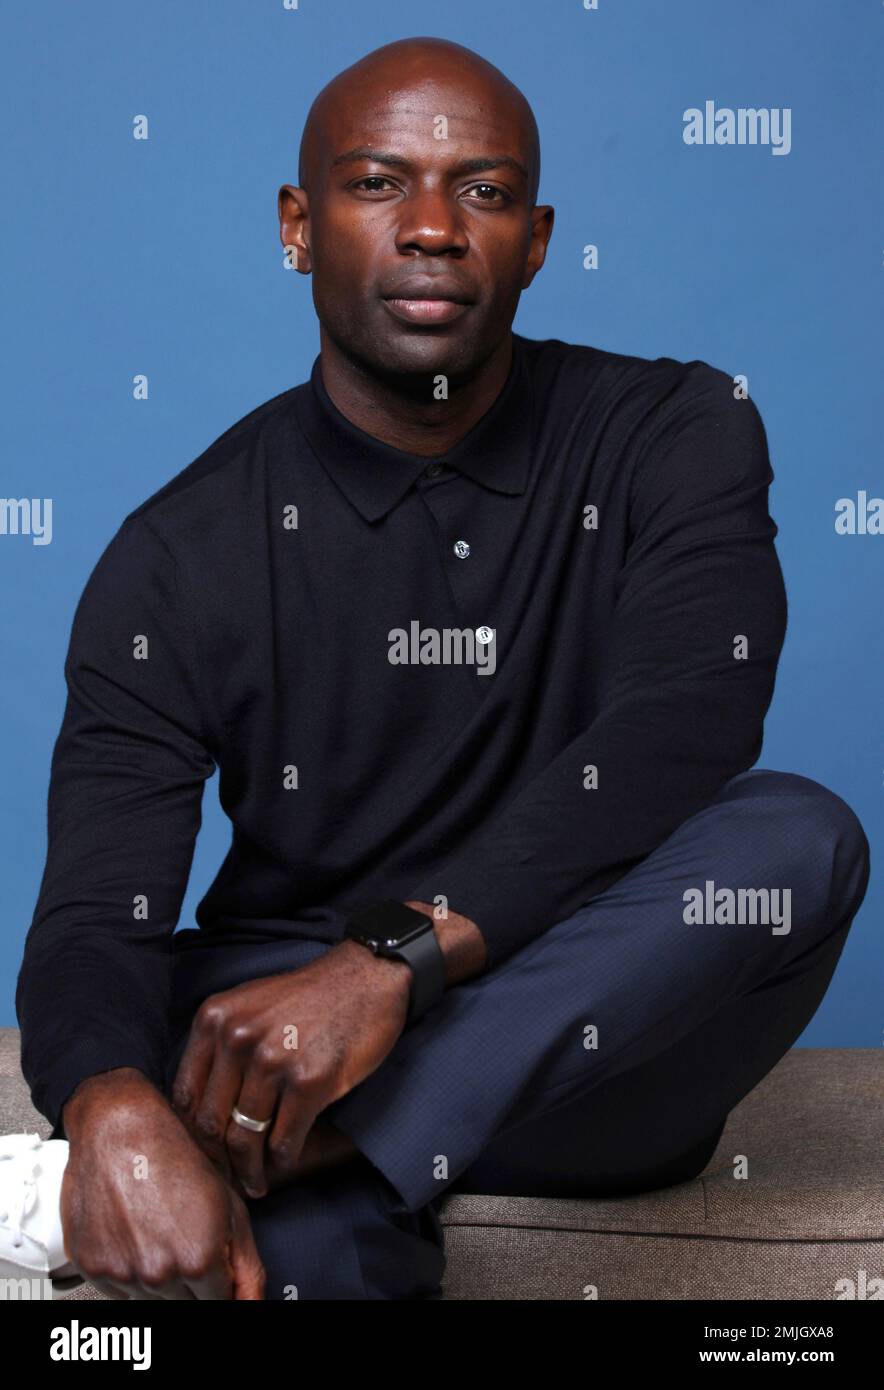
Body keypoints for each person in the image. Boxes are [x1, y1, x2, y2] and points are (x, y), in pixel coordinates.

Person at [6, 36, 870, 1301]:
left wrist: (390, 964)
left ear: (533, 237)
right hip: (283, 1030)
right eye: (374, 184)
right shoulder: (175, 555)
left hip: (583, 1047)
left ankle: (264, 1148)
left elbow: (691, 716)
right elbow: (94, 919)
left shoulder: (672, 431)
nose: (430, 229)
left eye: (482, 190)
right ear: (297, 226)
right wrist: (115, 1104)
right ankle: (320, 1162)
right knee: (216, 1085)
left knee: (797, 838)